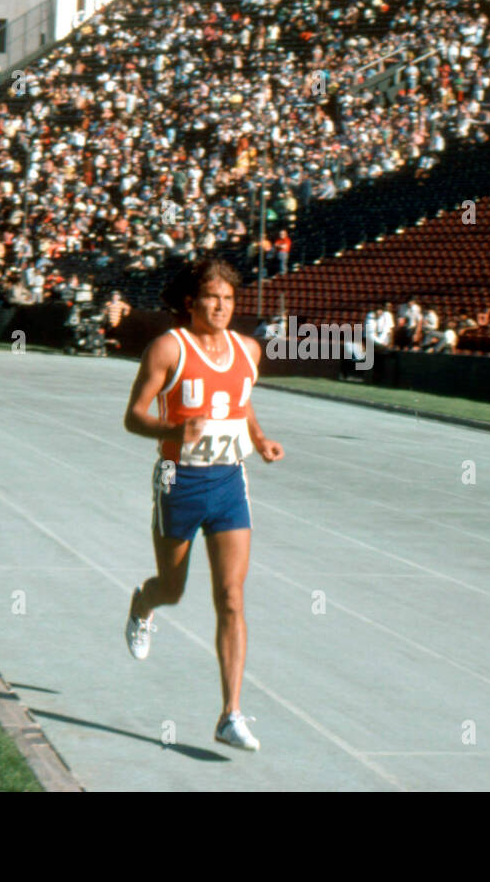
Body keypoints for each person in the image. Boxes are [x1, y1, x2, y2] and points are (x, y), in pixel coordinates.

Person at [122, 257, 284, 752]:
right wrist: (173, 430)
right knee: (173, 589)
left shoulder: (248, 348)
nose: (221, 307)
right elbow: (133, 416)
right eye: (212, 297)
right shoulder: (169, 347)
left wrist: (258, 438)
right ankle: (142, 604)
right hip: (180, 481)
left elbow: (242, 396)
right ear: (191, 301)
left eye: (229, 299)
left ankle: (230, 714)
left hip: (230, 482)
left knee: (231, 597)